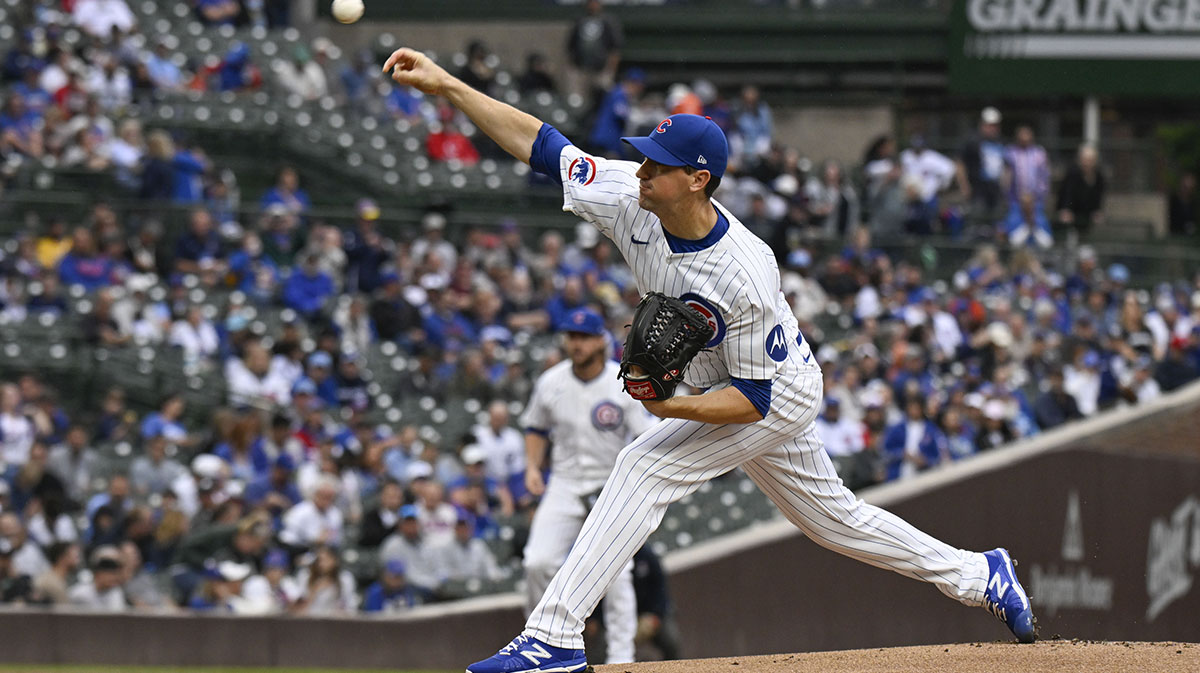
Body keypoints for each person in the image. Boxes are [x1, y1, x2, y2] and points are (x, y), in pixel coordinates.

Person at [382, 47, 1037, 673]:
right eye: (644, 157)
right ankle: (980, 575)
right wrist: (450, 87)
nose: (642, 170)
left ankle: (552, 635)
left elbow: (753, 399)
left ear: (698, 180)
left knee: (644, 463)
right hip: (725, 380)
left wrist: (670, 406)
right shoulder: (627, 195)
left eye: (658, 165)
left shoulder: (746, 272)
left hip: (775, 389)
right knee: (835, 521)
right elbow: (542, 145)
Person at [519, 308, 654, 665]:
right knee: (537, 562)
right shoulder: (551, 381)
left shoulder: (622, 381)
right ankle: (540, 643)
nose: (575, 344)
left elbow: (645, 434)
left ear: (599, 341)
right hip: (564, 483)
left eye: (583, 337)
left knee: (617, 573)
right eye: (571, 337)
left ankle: (621, 658)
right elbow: (535, 428)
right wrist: (532, 466)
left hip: (609, 484)